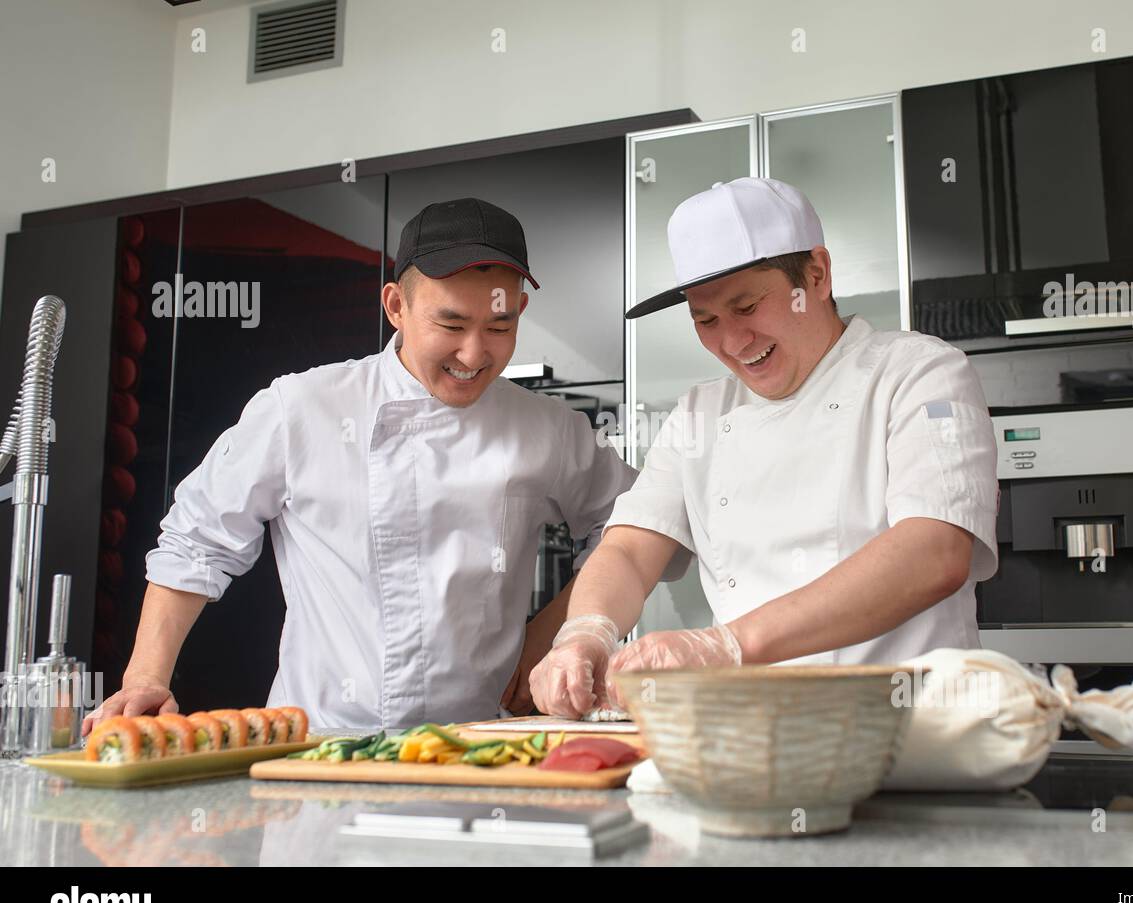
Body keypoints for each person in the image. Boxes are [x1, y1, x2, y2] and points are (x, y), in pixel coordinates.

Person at [84, 197, 635, 733]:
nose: (474, 354)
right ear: (396, 306)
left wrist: (557, 632)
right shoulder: (302, 407)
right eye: (450, 325)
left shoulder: (548, 428)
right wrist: (145, 677)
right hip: (320, 746)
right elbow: (196, 542)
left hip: (477, 747)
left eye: (498, 327)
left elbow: (637, 530)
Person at [529, 177, 999, 717]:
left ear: (816, 275)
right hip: (755, 740)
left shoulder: (920, 374)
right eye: (704, 320)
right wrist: (585, 631)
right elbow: (631, 551)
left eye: (747, 306)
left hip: (911, 735)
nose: (731, 341)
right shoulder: (699, 414)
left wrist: (727, 646)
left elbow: (933, 553)